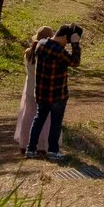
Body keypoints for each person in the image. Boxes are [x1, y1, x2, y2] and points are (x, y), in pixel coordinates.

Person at [27, 24, 83, 159]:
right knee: (56, 123)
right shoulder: (58, 51)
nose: (67, 44)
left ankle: (30, 149)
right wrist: (75, 44)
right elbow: (75, 62)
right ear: (63, 36)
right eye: (67, 41)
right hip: (58, 93)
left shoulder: (41, 44)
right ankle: (53, 151)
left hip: (41, 92)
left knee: (38, 120)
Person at [14, 26, 53, 151]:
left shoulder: (28, 53)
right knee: (45, 117)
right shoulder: (47, 53)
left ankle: (24, 143)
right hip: (44, 87)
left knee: (28, 114)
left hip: (30, 86)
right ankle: (42, 144)